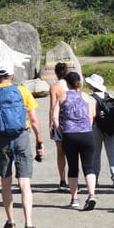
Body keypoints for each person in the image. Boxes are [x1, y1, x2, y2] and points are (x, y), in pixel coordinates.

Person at [0, 62, 43, 228]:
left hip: (2, 139)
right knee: (25, 184)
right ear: (13, 77)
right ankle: (29, 225)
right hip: (22, 137)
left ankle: (10, 222)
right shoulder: (23, 91)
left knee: (6, 183)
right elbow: (33, 119)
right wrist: (39, 140)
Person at [52, 71, 98, 210]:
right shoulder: (86, 97)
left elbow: (54, 117)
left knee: (73, 166)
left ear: (67, 83)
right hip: (86, 134)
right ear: (79, 83)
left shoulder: (62, 97)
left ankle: (74, 198)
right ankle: (91, 194)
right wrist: (86, 128)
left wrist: (61, 131)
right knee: (88, 166)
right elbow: (91, 117)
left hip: (69, 134)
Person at [85, 73, 114, 188]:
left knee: (96, 153)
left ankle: (95, 178)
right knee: (112, 152)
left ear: (93, 85)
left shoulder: (90, 98)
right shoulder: (109, 96)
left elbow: (91, 115)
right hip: (111, 128)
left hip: (96, 128)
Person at [48, 61, 70, 192]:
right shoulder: (72, 84)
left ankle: (63, 180)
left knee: (60, 152)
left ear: (56, 73)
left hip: (60, 120)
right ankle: (75, 178)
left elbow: (52, 107)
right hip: (73, 120)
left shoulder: (55, 87)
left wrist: (51, 124)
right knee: (74, 152)